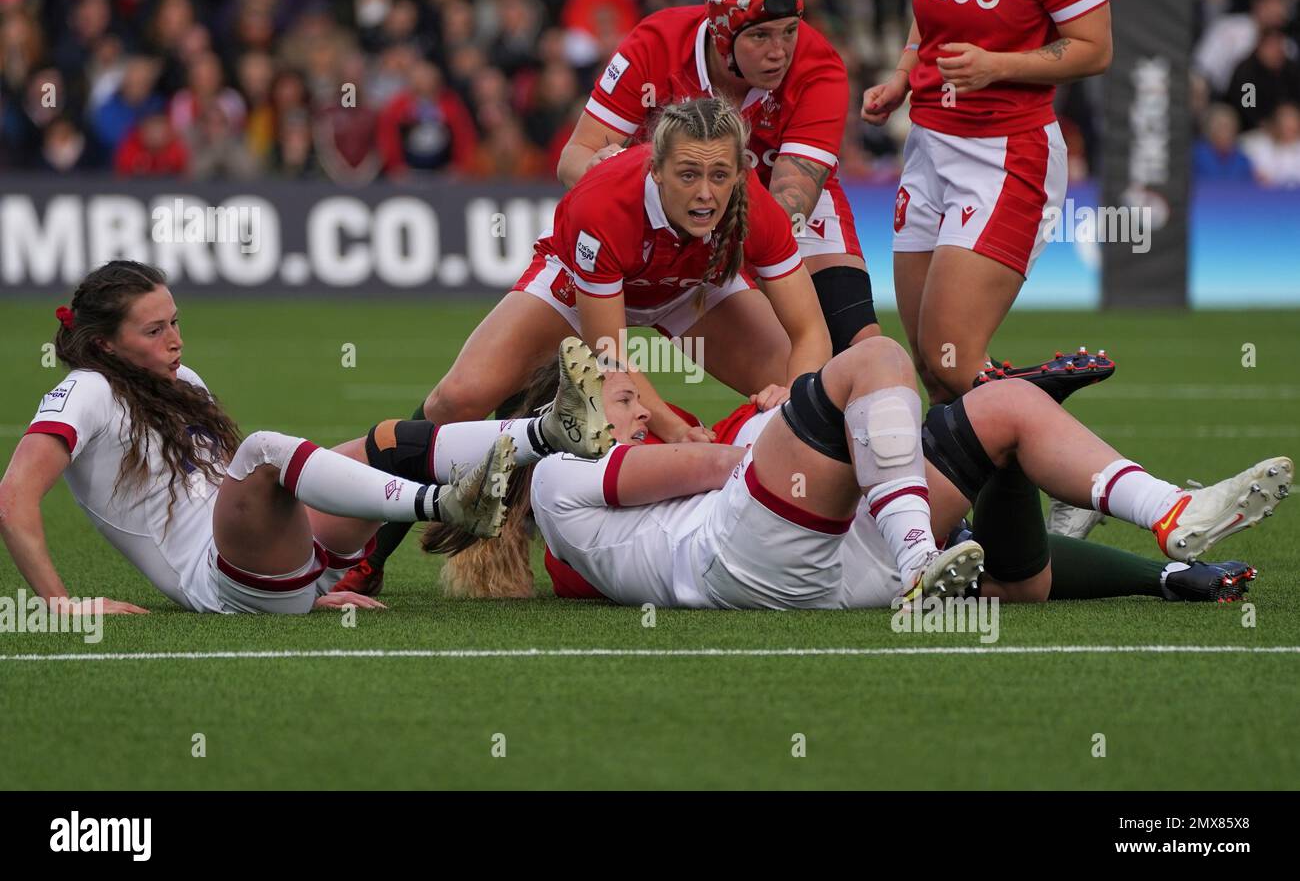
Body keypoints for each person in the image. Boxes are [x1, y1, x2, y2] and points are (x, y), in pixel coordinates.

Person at [335, 96, 832, 595]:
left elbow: (809, 332)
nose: (706, 194)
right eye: (687, 175)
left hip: (691, 289)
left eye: (720, 176)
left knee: (812, 396)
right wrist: (677, 430)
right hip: (579, 288)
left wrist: (793, 393)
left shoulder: (754, 208)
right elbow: (610, 357)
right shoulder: (605, 205)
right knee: (458, 397)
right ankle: (368, 557)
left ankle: (832, 527)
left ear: (740, 173)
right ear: (656, 171)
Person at [432, 338, 1289, 611]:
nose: (637, 396)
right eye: (620, 395)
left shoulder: (575, 499)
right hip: (751, 551)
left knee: (1008, 420)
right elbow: (724, 460)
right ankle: (926, 551)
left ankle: (1173, 510)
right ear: (571, 420)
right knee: (873, 357)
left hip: (832, 559)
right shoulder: (558, 482)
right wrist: (794, 414)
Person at [0, 261, 613, 615]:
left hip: (284, 565)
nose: (175, 341)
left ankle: (547, 432)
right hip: (221, 580)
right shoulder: (88, 389)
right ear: (105, 344)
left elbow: (221, 488)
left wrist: (304, 599)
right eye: (155, 330)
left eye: (176, 322)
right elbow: (13, 498)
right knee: (263, 449)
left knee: (391, 441)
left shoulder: (180, 378)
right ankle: (444, 504)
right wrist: (60, 606)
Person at [558, 0, 881, 355]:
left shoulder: (818, 67)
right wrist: (602, 179)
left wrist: (705, 237)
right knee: (483, 384)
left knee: (859, 346)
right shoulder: (656, 43)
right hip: (662, 212)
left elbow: (789, 206)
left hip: (759, 218)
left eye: (789, 31)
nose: (780, 51)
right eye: (761, 35)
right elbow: (575, 156)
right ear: (722, 34)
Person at [861, 0, 1113, 403]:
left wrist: (998, 65)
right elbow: (931, 13)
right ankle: (1001, 471)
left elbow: (1095, 48)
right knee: (935, 371)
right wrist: (902, 77)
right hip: (926, 146)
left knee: (950, 354)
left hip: (1006, 152)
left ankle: (1097, 466)